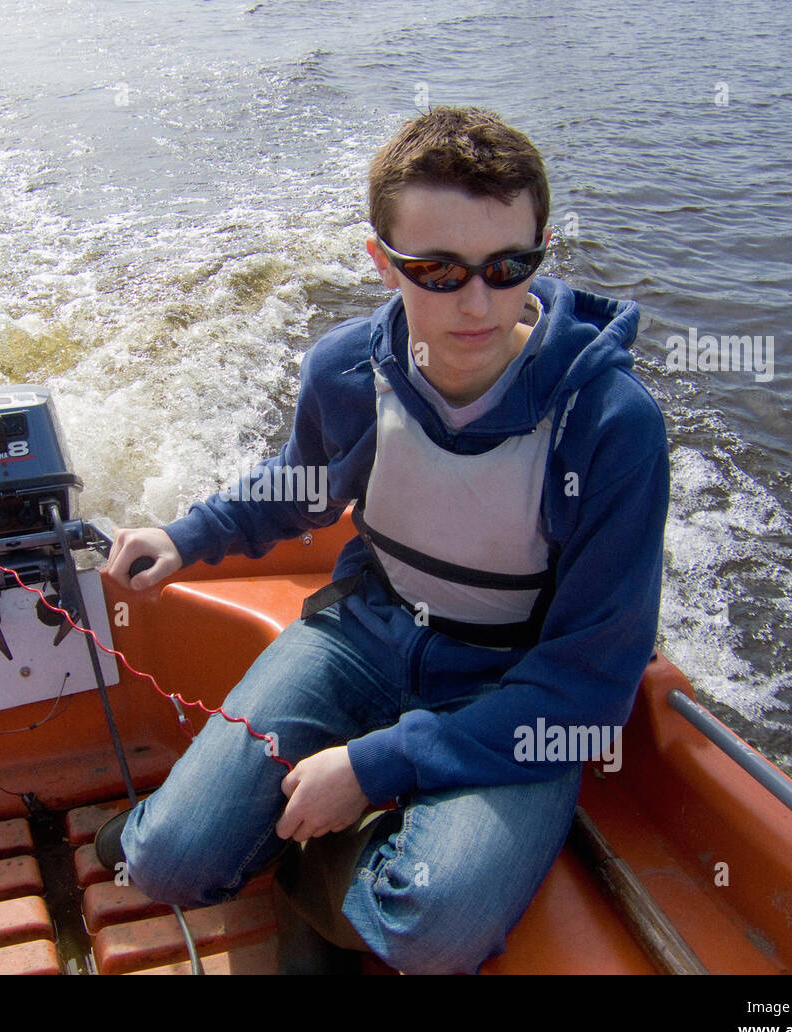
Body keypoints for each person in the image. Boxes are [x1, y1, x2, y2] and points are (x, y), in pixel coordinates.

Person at [99, 105, 669, 974]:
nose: (478, 302)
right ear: (381, 260)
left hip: (511, 686)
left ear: (543, 247)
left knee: (432, 927)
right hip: (361, 636)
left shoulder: (610, 425)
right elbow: (302, 484)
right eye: (436, 270)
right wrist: (189, 535)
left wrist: (375, 765)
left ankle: (312, 875)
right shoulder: (346, 369)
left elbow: (586, 695)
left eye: (509, 266)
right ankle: (229, 825)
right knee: (167, 860)